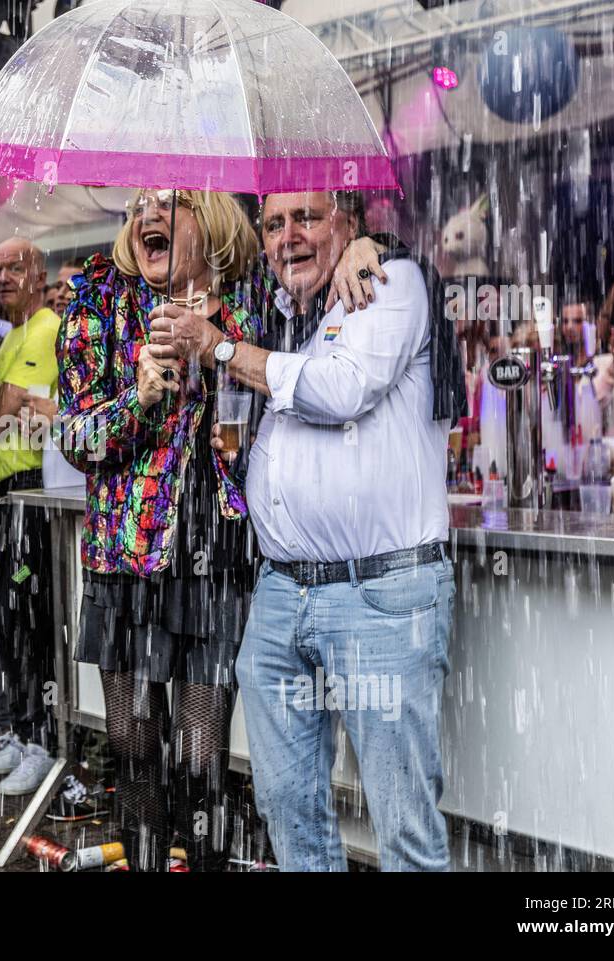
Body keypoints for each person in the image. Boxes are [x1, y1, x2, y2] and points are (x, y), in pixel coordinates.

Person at [215, 190, 459, 871]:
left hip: (380, 594)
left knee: (402, 822)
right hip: (280, 596)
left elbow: (344, 388)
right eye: (273, 223)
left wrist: (228, 349)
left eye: (308, 218)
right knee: (289, 810)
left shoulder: (389, 280)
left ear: (348, 226)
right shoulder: (279, 312)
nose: (288, 236)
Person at [56, 188, 268, 872]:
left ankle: (202, 861)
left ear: (211, 221)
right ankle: (146, 862)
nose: (150, 212)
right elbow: (74, 437)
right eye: (140, 202)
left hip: (215, 553)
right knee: (135, 745)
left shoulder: (252, 304)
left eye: (173, 200)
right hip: (126, 553)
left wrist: (219, 350)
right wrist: (139, 400)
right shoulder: (99, 307)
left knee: (203, 753)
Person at [0, 237, 62, 796]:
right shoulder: (8, 338)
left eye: (14, 267)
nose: (1, 277)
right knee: (3, 622)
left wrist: (1, 407)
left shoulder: (48, 329)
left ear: (38, 273)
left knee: (27, 624)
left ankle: (44, 743)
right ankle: (22, 734)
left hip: (27, 494)